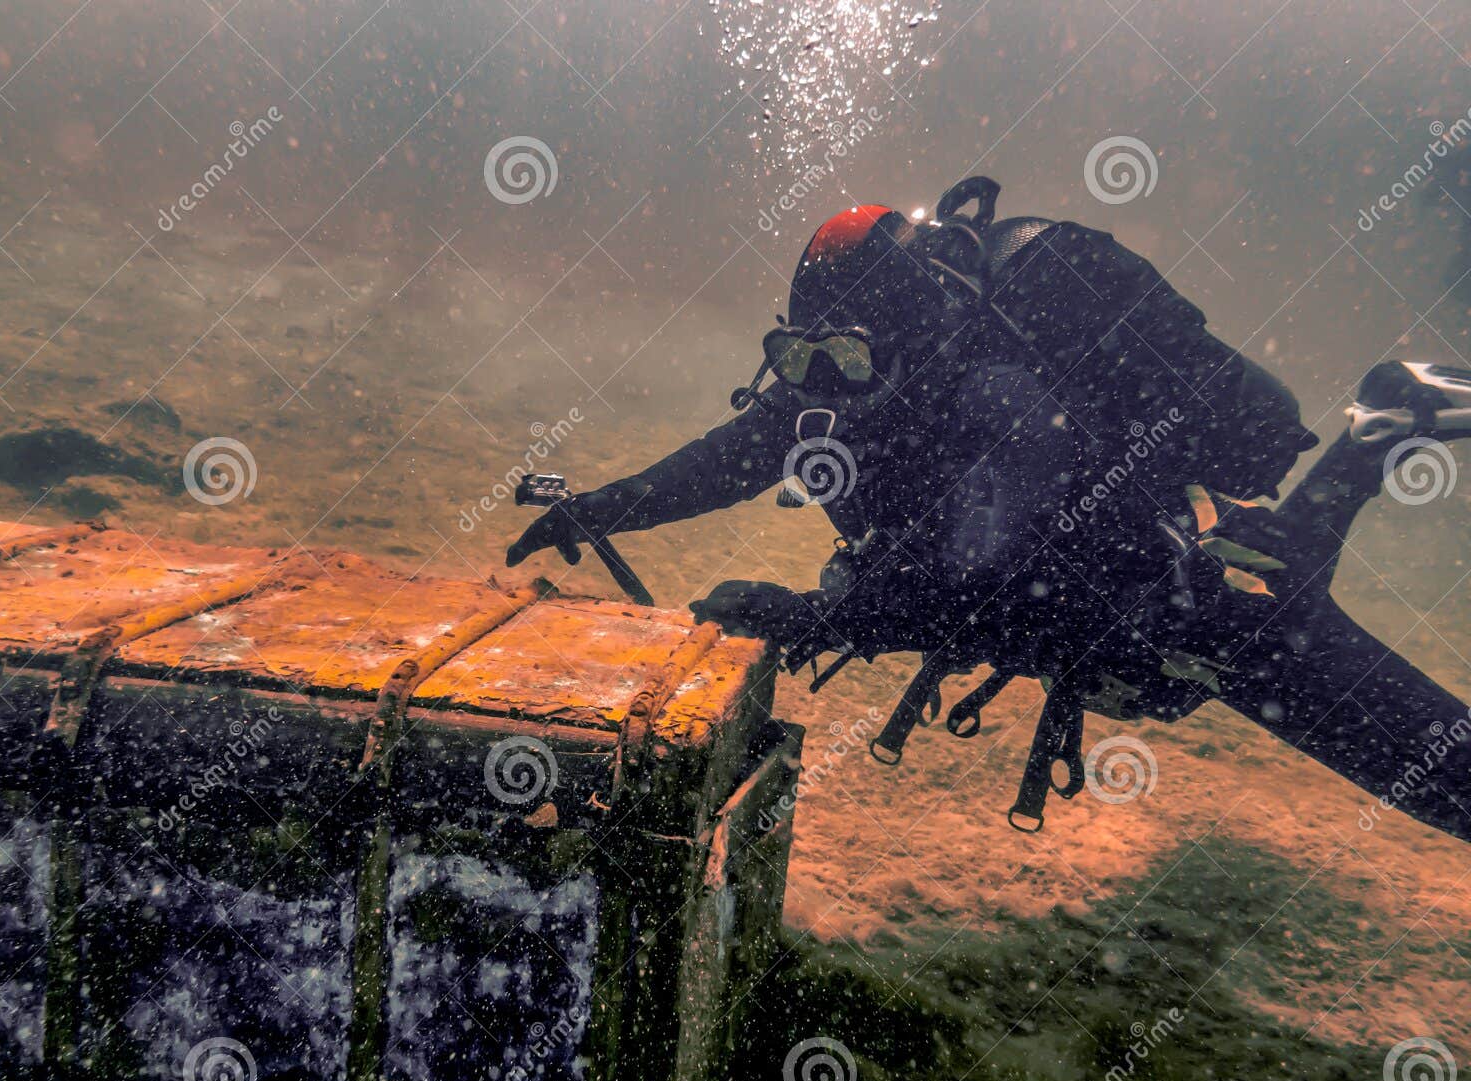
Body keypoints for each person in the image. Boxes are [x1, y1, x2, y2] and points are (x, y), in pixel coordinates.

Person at [507, 177, 1471, 842]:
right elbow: (744, 453)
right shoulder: (857, 380)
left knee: (1426, 767)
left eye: (845, 360)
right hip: (1088, 629)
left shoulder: (1000, 395)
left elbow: (983, 577)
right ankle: (1380, 434)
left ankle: (1382, 429)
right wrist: (600, 509)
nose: (824, 391)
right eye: (804, 358)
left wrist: (818, 615)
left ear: (916, 334)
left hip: (1191, 605)